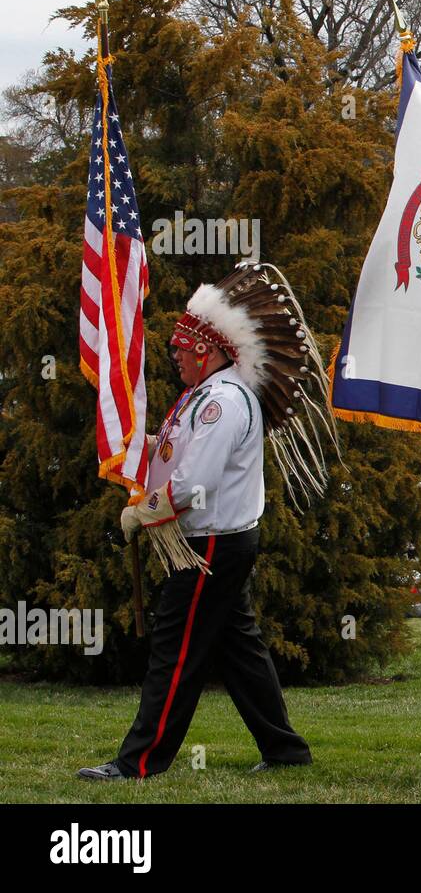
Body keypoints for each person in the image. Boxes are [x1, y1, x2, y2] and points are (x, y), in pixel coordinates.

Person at [77, 263, 338, 780]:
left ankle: (140, 762)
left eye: (180, 347)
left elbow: (196, 484)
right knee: (238, 650)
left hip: (211, 546)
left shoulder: (223, 401)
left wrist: (142, 512)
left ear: (209, 350)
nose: (173, 354)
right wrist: (140, 449)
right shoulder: (207, 395)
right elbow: (180, 454)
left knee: (174, 654)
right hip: (213, 543)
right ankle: (286, 751)